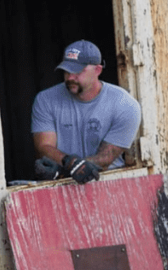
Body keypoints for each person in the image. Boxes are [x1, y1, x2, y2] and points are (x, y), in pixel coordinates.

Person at [31, 39, 141, 183]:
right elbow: (44, 146)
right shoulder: (45, 99)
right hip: (59, 185)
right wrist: (69, 164)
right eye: (66, 70)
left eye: (77, 71)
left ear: (97, 70)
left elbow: (105, 158)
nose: (70, 77)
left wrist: (67, 167)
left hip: (108, 183)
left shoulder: (125, 105)